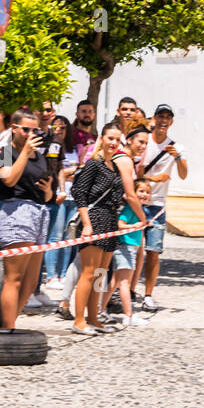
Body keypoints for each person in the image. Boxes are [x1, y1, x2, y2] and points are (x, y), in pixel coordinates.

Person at [69, 121, 142, 333]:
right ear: (102, 138)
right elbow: (79, 192)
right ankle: (79, 320)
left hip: (110, 218)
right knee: (89, 273)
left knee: (101, 274)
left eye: (117, 140)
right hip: (94, 217)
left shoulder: (115, 166)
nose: (113, 143)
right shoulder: (94, 164)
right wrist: (87, 224)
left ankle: (94, 317)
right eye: (110, 138)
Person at [0, 107, 54, 328]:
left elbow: (46, 192)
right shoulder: (4, 152)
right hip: (15, 213)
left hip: (39, 213)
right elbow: (8, 179)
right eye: (26, 130)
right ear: (14, 128)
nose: (31, 135)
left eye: (35, 130)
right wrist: (23, 152)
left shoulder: (38, 155)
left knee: (30, 284)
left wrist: (48, 190)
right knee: (14, 278)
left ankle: (11, 324)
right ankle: (8, 329)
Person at [136, 104, 186, 312]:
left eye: (168, 117)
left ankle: (148, 295)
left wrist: (177, 157)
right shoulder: (144, 142)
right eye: (161, 116)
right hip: (137, 202)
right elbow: (136, 170)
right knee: (134, 251)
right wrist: (152, 178)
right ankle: (128, 292)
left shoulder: (175, 146)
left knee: (153, 251)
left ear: (172, 121)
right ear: (154, 118)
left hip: (157, 204)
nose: (164, 120)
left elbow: (183, 174)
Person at [104, 177, 153, 326]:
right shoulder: (131, 207)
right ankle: (128, 316)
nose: (144, 194)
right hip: (125, 246)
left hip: (129, 247)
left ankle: (99, 309)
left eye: (147, 192)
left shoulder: (139, 209)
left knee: (115, 281)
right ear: (133, 192)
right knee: (125, 282)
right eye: (141, 191)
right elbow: (119, 224)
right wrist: (135, 226)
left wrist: (142, 224)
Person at [43, 115, 79, 293]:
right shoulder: (49, 146)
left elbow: (75, 172)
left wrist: (69, 172)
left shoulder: (73, 150)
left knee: (69, 239)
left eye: (62, 127)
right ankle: (51, 276)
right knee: (55, 237)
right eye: (55, 127)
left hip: (73, 197)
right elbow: (58, 171)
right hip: (57, 196)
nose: (58, 130)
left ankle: (64, 274)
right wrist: (69, 172)